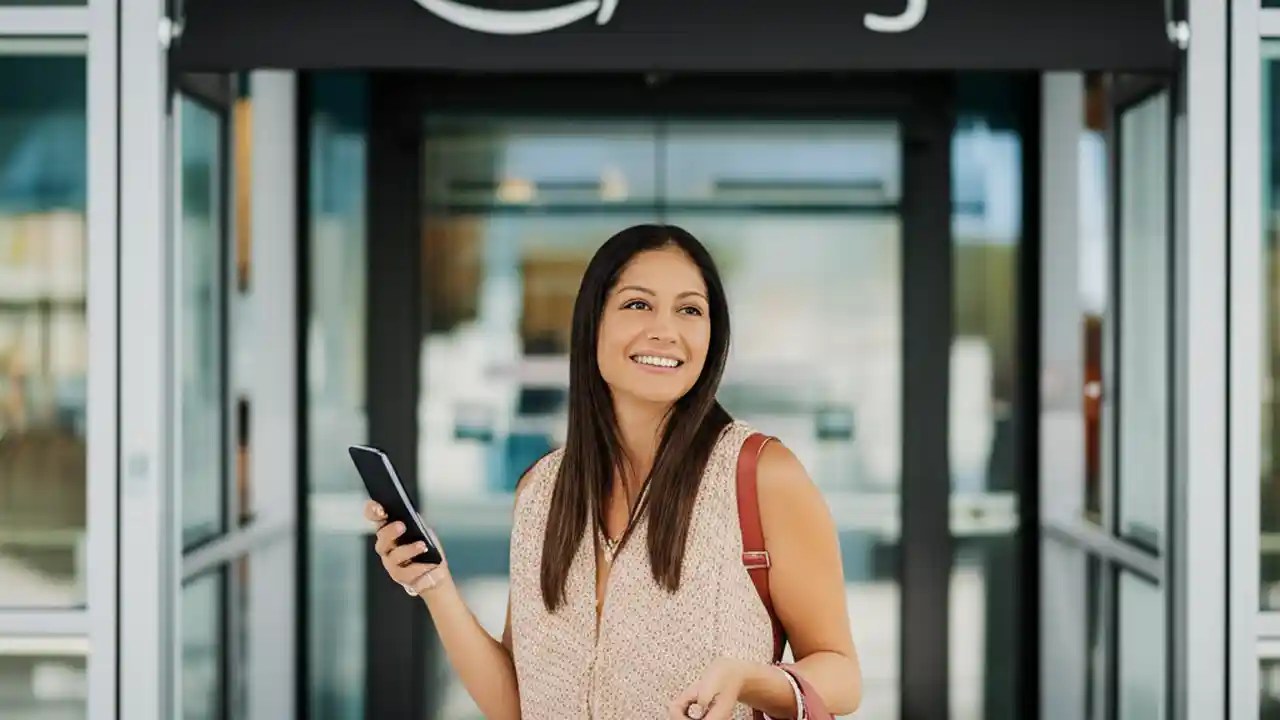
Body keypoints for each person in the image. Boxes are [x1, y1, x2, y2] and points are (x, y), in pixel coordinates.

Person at [364, 224, 861, 719]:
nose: (665, 330)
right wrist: (435, 584)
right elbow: (519, 705)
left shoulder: (761, 475)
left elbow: (842, 676)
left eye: (690, 309)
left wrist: (753, 680)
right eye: (638, 304)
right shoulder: (542, 492)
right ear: (593, 323)